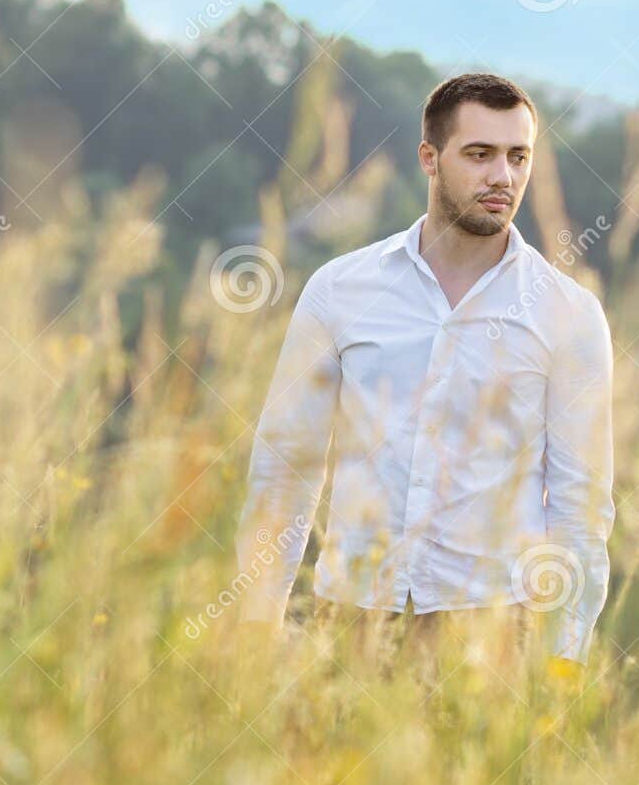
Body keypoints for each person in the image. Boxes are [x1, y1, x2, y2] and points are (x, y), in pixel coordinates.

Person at [233, 73, 614, 682]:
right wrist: (257, 620)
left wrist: (563, 661)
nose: (503, 177)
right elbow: (287, 466)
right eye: (480, 154)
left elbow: (580, 507)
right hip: (349, 623)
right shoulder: (339, 289)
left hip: (495, 636)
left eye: (519, 157)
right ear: (429, 158)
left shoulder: (567, 314)